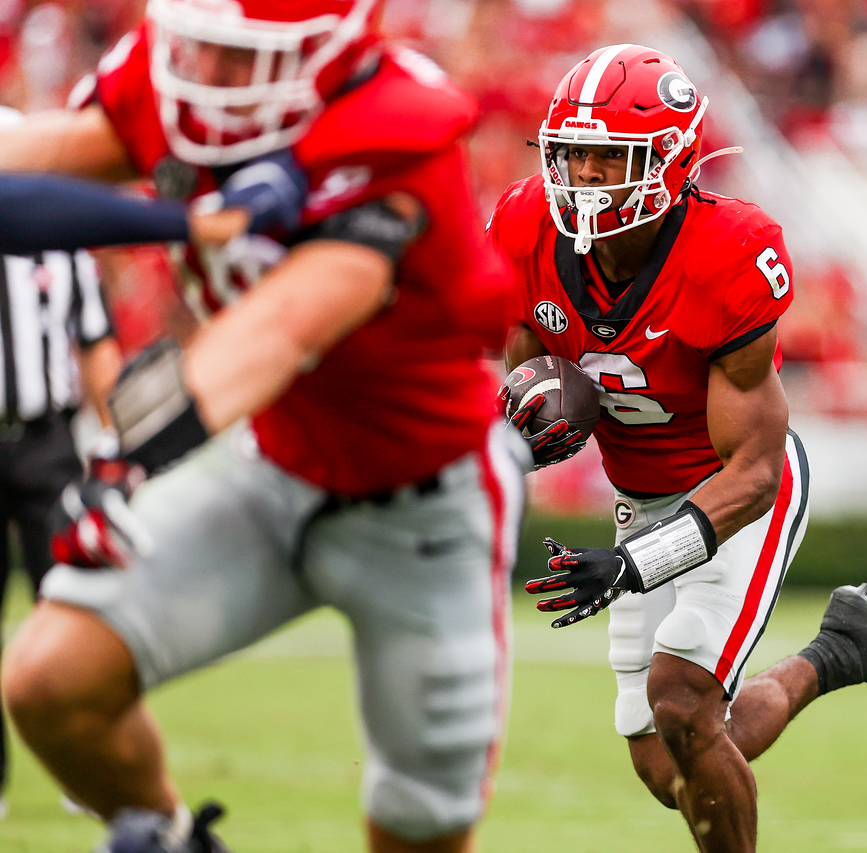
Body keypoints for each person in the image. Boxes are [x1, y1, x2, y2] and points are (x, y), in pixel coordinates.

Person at [0, 2, 523, 852]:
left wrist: (127, 458)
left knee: (419, 825)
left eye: (239, 55)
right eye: (198, 43)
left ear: (329, 53)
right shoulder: (182, 84)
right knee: (51, 678)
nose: (205, 73)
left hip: (422, 502)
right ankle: (176, 840)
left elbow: (284, 325)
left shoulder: (397, 130)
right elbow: (37, 163)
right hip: (269, 462)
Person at [490, 44, 867, 853]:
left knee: (680, 704)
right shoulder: (526, 225)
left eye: (611, 158)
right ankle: (841, 650)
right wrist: (529, 420)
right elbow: (528, 369)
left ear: (669, 162)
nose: (586, 177)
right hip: (643, 496)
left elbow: (754, 472)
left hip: (736, 498)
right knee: (667, 768)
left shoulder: (728, 252)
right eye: (573, 154)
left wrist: (635, 565)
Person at [0, 107, 122, 819]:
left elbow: (96, 342)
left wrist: (111, 445)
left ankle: (83, 764)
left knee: (73, 605)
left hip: (46, 437)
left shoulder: (58, 241)